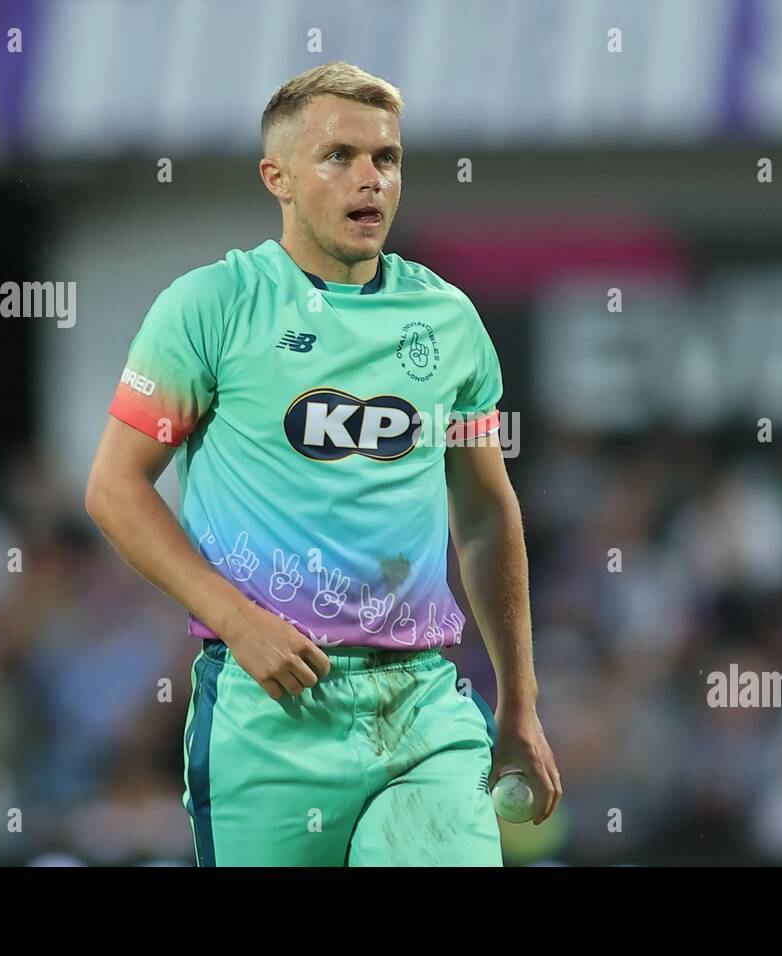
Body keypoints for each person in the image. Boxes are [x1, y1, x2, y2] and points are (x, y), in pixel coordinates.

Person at [85, 61, 560, 865]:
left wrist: (522, 698)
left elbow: (483, 511)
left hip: (420, 708)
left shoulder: (447, 320)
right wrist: (237, 620)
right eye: (340, 156)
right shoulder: (212, 306)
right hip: (267, 708)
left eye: (388, 158)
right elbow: (113, 487)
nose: (371, 179)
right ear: (277, 176)